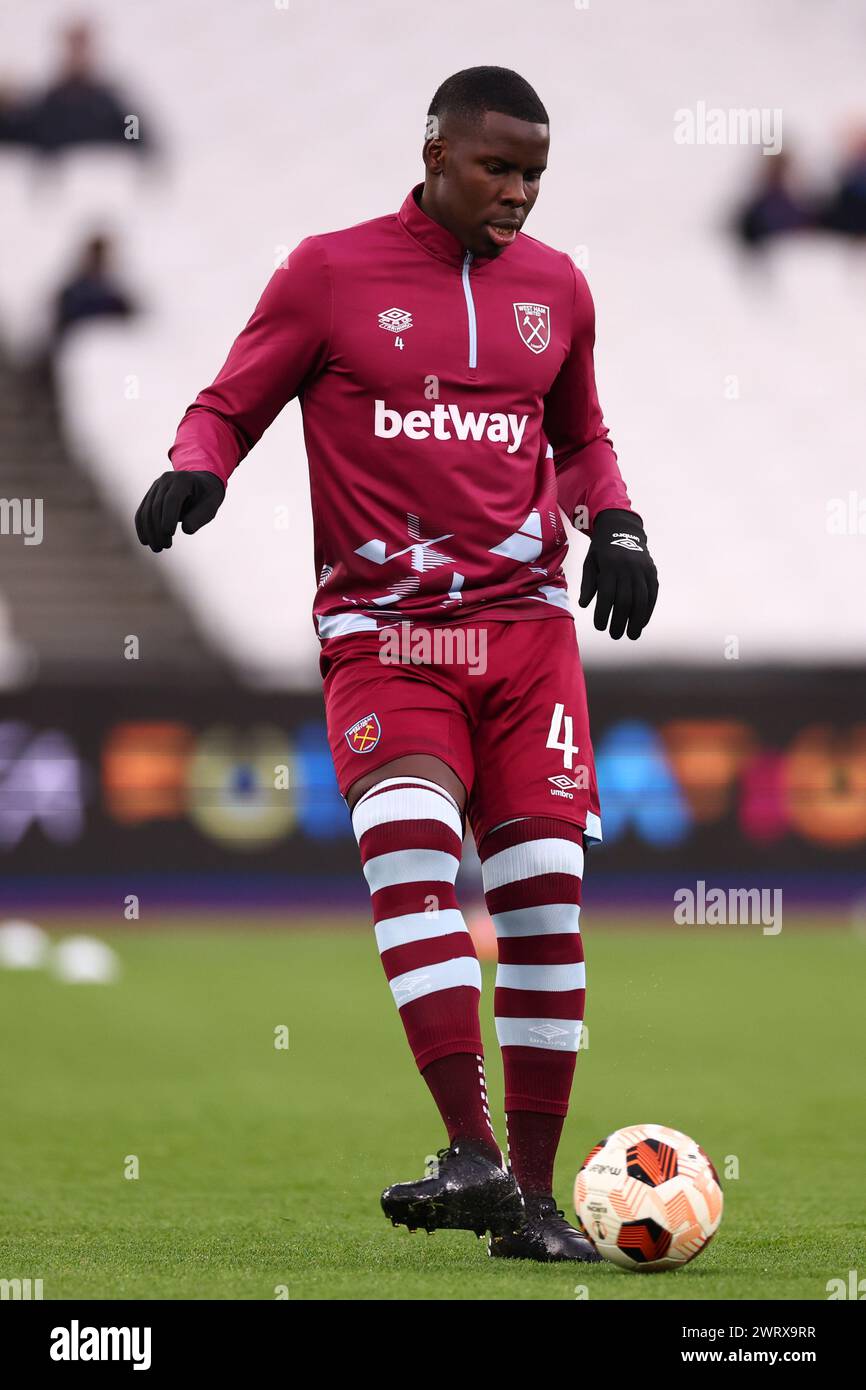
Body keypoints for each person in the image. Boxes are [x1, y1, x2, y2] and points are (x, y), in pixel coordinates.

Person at [135, 66, 658, 1263]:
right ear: (434, 152)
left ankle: (525, 1204)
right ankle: (468, 1145)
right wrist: (197, 462)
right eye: (497, 168)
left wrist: (616, 522)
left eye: (534, 173)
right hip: (389, 637)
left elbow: (577, 435)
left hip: (527, 638)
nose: (518, 192)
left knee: (540, 909)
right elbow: (230, 401)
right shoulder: (326, 272)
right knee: (412, 860)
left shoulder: (557, 288)